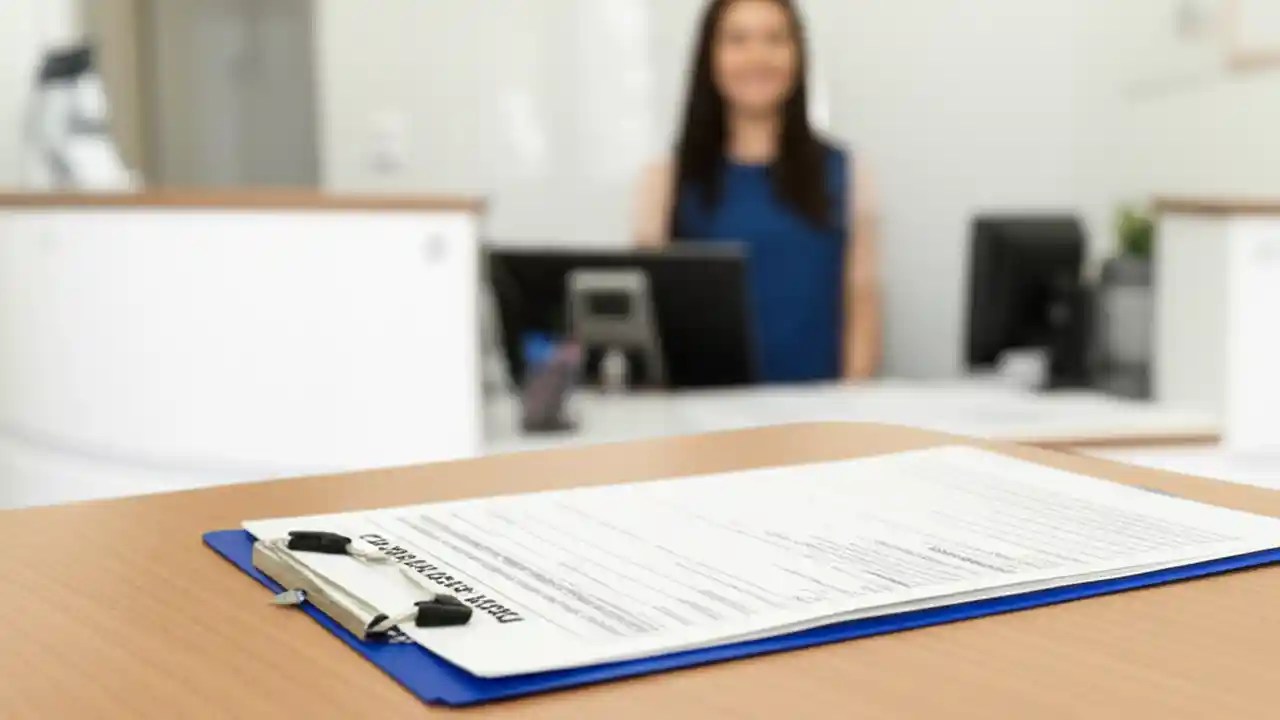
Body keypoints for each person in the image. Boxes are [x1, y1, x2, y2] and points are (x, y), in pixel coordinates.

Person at [634, 0, 881, 382]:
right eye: (738, 40)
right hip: (703, 421)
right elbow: (648, 320)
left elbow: (862, 303)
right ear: (710, 57)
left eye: (775, 39)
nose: (757, 56)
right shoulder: (665, 178)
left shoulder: (846, 170)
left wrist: (851, 405)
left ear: (798, 55)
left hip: (818, 418)